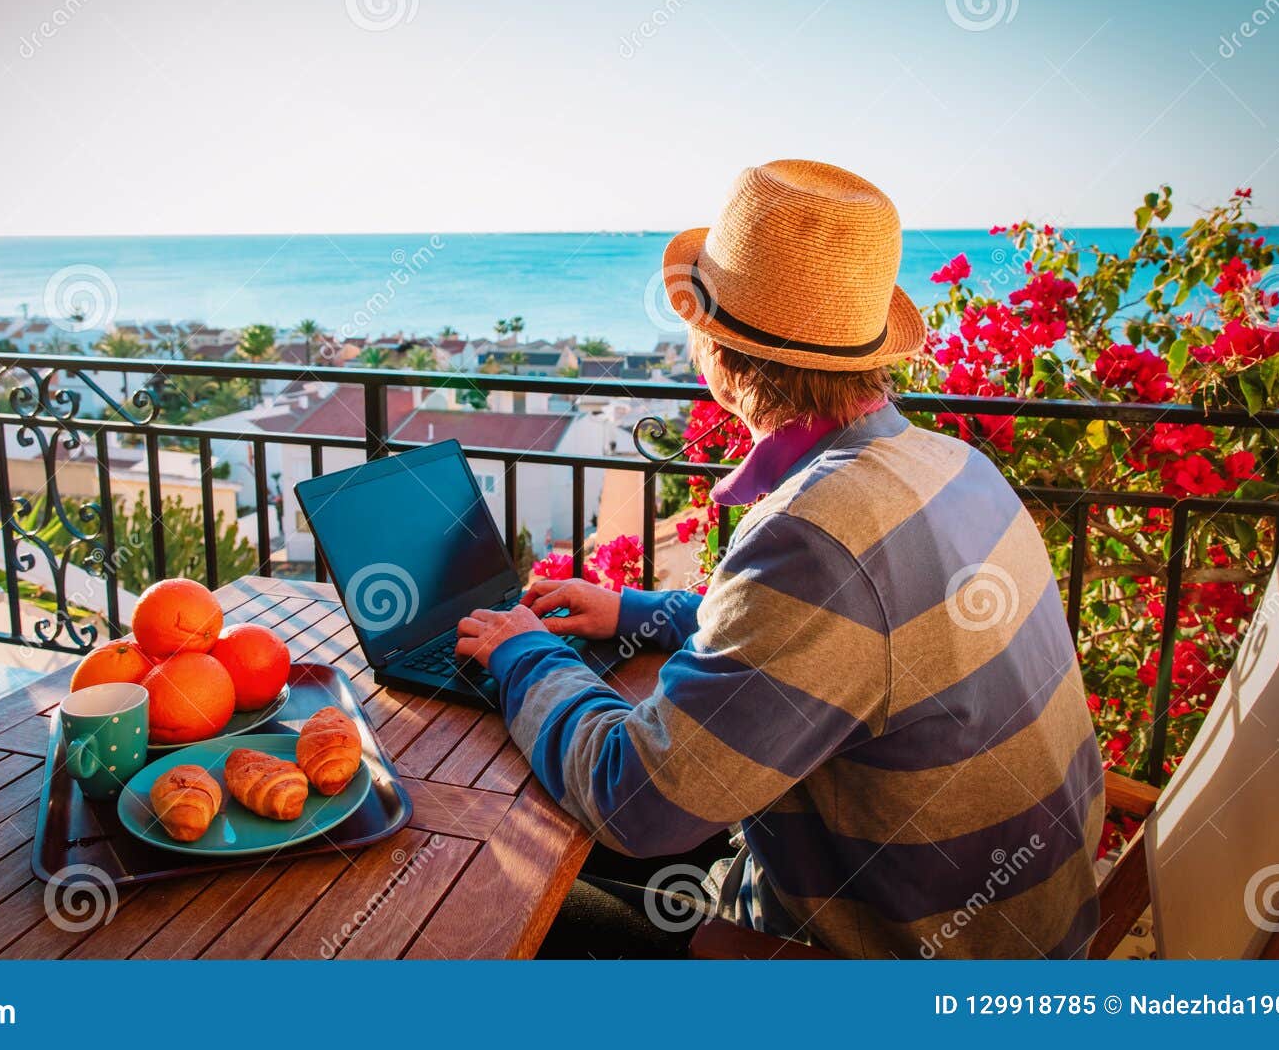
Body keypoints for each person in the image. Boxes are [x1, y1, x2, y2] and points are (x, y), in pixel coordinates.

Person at [455, 160, 1104, 959]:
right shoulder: (952, 467)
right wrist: (634, 612)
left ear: (718, 357)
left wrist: (523, 653)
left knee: (513, 904)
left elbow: (638, 802)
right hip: (1029, 934)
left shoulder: (817, 533)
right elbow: (856, 637)